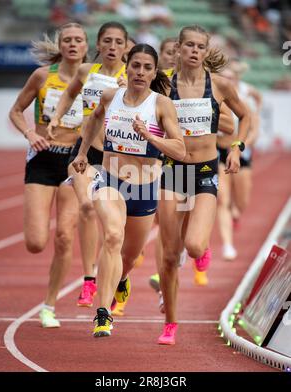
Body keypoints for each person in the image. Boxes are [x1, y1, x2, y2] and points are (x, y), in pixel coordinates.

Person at [72, 43, 186, 338]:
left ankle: (121, 278)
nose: (140, 72)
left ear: (154, 72)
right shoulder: (111, 96)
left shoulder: (161, 105)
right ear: (128, 66)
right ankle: (103, 313)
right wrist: (83, 153)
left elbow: (181, 150)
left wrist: (149, 135)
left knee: (130, 257)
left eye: (148, 67)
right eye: (135, 65)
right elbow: (95, 118)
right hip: (111, 180)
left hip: (145, 187)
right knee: (111, 236)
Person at [157, 25, 250, 345]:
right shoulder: (163, 84)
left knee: (194, 246)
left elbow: (245, 116)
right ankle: (170, 322)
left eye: (200, 47)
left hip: (206, 169)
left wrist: (237, 147)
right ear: (178, 49)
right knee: (170, 256)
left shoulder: (220, 85)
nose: (194, 52)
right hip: (174, 170)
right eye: (189, 46)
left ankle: (204, 246)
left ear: (206, 52)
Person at [9, 23, 89, 327]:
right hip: (42, 160)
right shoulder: (44, 76)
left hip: (73, 162)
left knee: (65, 237)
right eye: (67, 40)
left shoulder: (93, 78)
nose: (72, 44)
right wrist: (30, 132)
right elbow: (16, 110)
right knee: (35, 242)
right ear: (60, 45)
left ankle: (49, 306)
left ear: (85, 46)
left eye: (78, 40)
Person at [47, 22, 128, 309]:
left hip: (119, 159)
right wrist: (57, 117)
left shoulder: (131, 77)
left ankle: (120, 275)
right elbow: (69, 93)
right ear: (98, 45)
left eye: (119, 42)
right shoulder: (86, 72)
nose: (112, 47)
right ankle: (89, 278)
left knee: (115, 230)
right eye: (107, 41)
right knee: (85, 206)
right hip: (86, 153)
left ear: (126, 47)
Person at [217, 60, 260, 260]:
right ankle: (228, 245)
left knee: (241, 201)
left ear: (236, 80)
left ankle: (236, 213)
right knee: (222, 200)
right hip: (218, 151)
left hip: (240, 151)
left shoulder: (244, 101)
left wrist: (241, 146)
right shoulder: (212, 98)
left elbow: (254, 130)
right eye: (223, 77)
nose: (226, 81)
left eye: (230, 78)